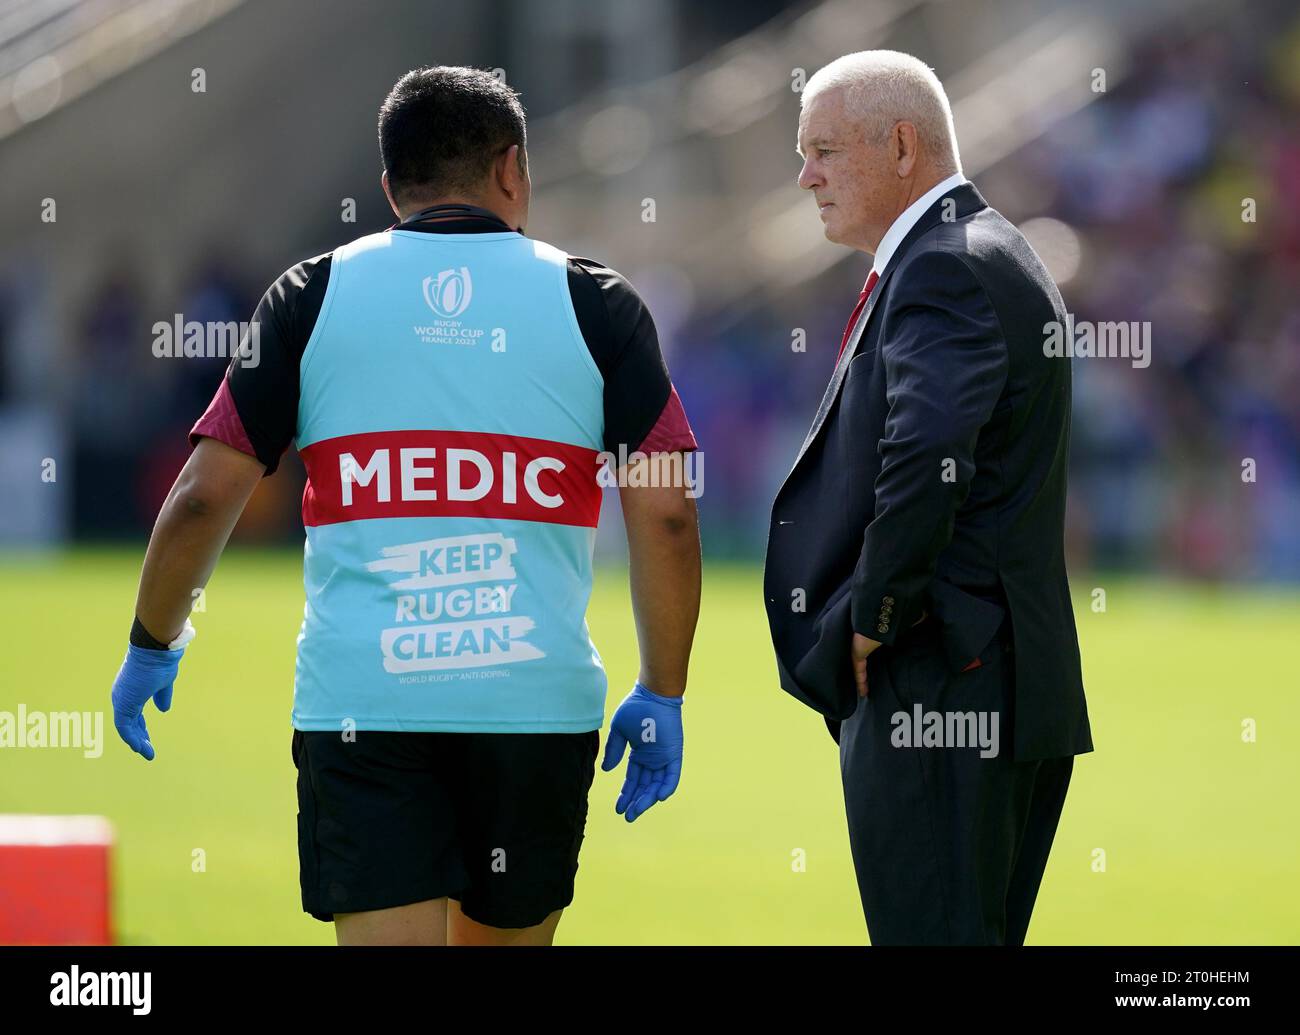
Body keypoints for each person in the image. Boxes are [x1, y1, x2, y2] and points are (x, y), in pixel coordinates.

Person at [109, 66, 701, 947]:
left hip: (364, 703)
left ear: (390, 188)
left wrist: (152, 642)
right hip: (531, 707)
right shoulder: (596, 303)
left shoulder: (311, 295)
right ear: (512, 169)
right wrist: (663, 689)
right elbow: (667, 516)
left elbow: (201, 500)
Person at [763, 50, 1093, 945]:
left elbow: (927, 450)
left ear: (902, 144)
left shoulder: (945, 263)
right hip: (988, 682)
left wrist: (874, 610)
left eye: (824, 149)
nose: (805, 176)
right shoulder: (984, 247)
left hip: (940, 679)